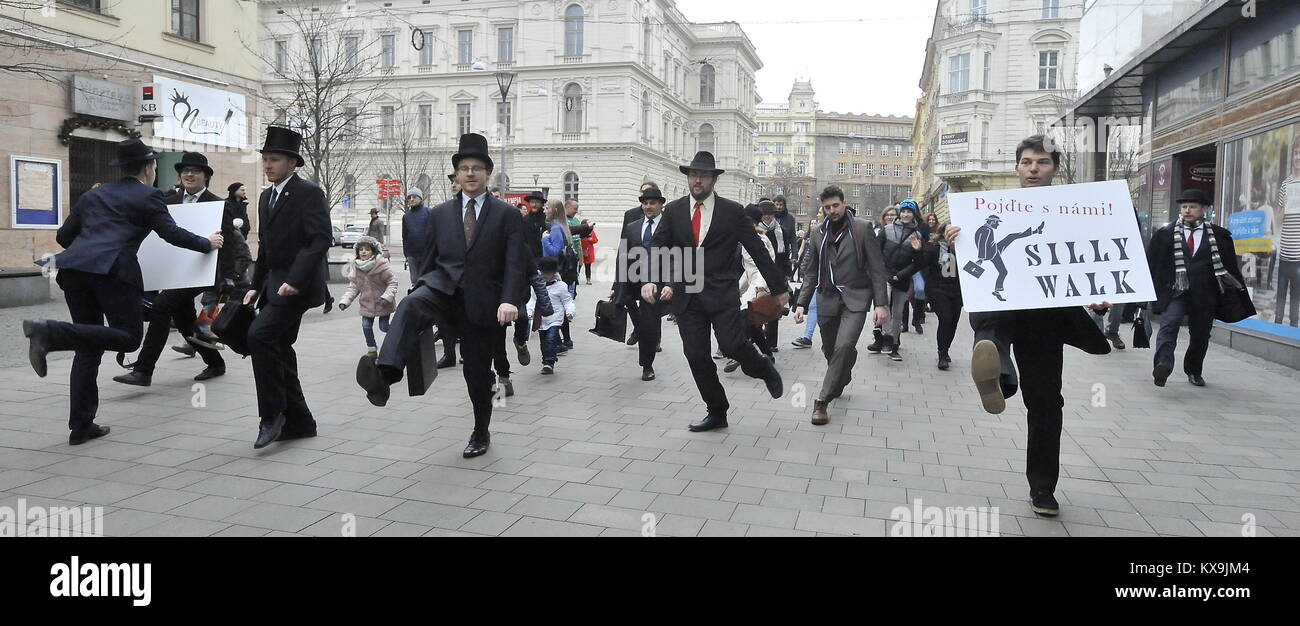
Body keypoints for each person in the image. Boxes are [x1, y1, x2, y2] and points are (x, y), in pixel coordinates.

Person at [950, 134, 1112, 517]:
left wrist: (1097, 294)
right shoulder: (986, 206)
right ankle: (996, 373)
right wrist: (953, 238)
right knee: (990, 329)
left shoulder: (1073, 211)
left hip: (1046, 316)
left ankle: (1042, 488)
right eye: (1026, 162)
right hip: (1001, 307)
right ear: (1016, 168)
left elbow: (1088, 260)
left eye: (1041, 162)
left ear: (1054, 168)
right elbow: (978, 253)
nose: (1033, 169)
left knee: (1044, 402)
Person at [24, 138, 222, 445]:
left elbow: (64, 237)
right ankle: (50, 333)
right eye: (154, 165)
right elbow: (172, 234)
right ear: (147, 167)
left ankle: (81, 426)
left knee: (88, 344)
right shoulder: (149, 196)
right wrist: (206, 243)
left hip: (74, 271)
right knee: (129, 338)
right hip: (114, 272)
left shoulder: (95, 194)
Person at [356, 133, 525, 459]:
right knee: (410, 304)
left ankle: (481, 430)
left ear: (487, 173)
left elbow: (516, 263)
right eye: (464, 168)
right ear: (457, 175)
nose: (471, 174)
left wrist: (510, 300)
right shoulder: (440, 214)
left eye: (477, 168)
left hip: (482, 302)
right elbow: (430, 260)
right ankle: (386, 375)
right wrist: (422, 287)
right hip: (443, 290)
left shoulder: (507, 215)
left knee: (476, 373)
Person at [642, 151, 788, 432]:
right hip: (687, 296)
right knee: (696, 356)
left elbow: (757, 250)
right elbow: (657, 247)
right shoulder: (673, 210)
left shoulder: (732, 211)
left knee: (733, 345)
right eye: (693, 175)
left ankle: (762, 367)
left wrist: (780, 289)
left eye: (703, 175)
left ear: (713, 179)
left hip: (721, 294)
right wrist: (649, 279)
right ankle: (717, 411)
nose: (697, 180)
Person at [242, 126, 333, 449]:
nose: (267, 166)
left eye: (275, 160)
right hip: (272, 285)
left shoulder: (309, 193)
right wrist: (255, 285)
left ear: (292, 163)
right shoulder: (266, 196)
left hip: (298, 286)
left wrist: (294, 280)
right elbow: (265, 247)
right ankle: (301, 422)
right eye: (265, 159)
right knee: (278, 347)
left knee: (259, 336)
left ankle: (272, 415)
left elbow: (320, 238)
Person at [112, 151, 235, 387]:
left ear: (205, 176)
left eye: (195, 171)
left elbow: (228, 245)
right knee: (185, 321)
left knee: (161, 306)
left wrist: (228, 277)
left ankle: (143, 370)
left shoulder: (219, 204)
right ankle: (215, 362)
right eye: (185, 170)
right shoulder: (167, 200)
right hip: (175, 270)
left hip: (202, 270)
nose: (189, 174)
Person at [794, 185, 888, 425]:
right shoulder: (817, 233)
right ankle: (842, 374)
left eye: (835, 205)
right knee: (830, 351)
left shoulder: (862, 228)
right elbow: (811, 272)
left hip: (855, 298)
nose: (832, 210)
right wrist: (802, 303)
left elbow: (877, 269)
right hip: (827, 299)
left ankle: (822, 402)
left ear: (844, 203)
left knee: (844, 345)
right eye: (827, 207)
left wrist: (880, 305)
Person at [1147, 188, 1245, 387]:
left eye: (1192, 207)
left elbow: (1229, 266)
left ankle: (1193, 370)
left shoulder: (1220, 236)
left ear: (1204, 209)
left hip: (1205, 294)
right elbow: (1153, 264)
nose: (1187, 210)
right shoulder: (1164, 235)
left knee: (1200, 334)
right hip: (1176, 291)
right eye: (1184, 207)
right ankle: (1163, 366)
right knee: (1169, 325)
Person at [617, 185, 667, 380]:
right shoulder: (633, 227)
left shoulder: (668, 226)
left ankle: (647, 364)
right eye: (645, 203)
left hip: (656, 282)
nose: (648, 207)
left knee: (649, 323)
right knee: (637, 317)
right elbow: (623, 255)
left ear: (661, 205)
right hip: (633, 279)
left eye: (652, 203)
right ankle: (640, 332)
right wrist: (617, 286)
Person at [723, 203, 779, 374]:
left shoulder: (761, 240)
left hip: (761, 284)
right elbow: (749, 270)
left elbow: (767, 265)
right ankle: (768, 355)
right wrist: (738, 288)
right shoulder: (745, 238)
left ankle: (740, 354)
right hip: (751, 282)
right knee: (753, 324)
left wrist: (760, 286)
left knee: (744, 316)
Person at [877, 201, 925, 362]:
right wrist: (882, 272)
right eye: (903, 211)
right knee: (885, 303)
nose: (905, 214)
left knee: (897, 312)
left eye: (909, 212)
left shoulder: (917, 235)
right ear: (899, 213)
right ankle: (887, 338)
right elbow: (876, 252)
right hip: (885, 275)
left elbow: (917, 263)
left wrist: (917, 251)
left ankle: (894, 345)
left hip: (902, 277)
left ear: (913, 214)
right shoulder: (887, 230)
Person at [338, 236, 398, 358]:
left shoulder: (382, 265)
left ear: (373, 251)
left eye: (367, 249)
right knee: (366, 326)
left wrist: (387, 297)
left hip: (383, 303)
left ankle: (399, 338)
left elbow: (392, 282)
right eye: (361, 250)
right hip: (367, 304)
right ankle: (372, 348)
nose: (363, 252)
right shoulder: (356, 267)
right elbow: (353, 287)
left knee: (384, 327)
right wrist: (345, 301)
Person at [922, 222, 963, 370]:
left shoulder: (963, 248)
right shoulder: (934, 246)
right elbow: (922, 263)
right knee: (945, 318)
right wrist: (917, 250)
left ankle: (946, 349)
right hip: (937, 289)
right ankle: (942, 353)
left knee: (953, 322)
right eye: (948, 231)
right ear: (943, 232)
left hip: (957, 290)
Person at [528, 256, 575, 375]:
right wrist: (530, 312)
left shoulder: (561, 286)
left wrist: (570, 312)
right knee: (543, 343)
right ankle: (546, 361)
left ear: (554, 274)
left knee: (551, 339)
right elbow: (532, 300)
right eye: (542, 273)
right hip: (541, 320)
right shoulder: (536, 287)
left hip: (555, 318)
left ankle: (549, 362)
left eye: (547, 273)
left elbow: (568, 301)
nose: (544, 275)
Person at [756, 201, 788, 352]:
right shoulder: (756, 231)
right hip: (758, 272)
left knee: (774, 308)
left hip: (776, 272)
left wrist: (784, 275)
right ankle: (756, 336)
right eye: (765, 214)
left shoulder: (782, 231)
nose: (768, 217)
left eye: (770, 214)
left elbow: (784, 255)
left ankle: (771, 342)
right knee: (756, 306)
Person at [401, 188, 431, 284]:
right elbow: (405, 236)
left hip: (427, 254)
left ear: (420, 198)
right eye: (409, 197)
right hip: (412, 255)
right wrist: (406, 254)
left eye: (414, 197)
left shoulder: (429, 212)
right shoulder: (406, 216)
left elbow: (434, 233)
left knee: (427, 280)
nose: (412, 199)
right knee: (415, 281)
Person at [772, 195, 798, 279]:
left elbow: (793, 238)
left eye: (781, 205)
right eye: (777, 204)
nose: (779, 207)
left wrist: (794, 255)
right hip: (771, 252)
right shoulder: (770, 217)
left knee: (783, 280)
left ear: (784, 205)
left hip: (784, 254)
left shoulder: (790, 218)